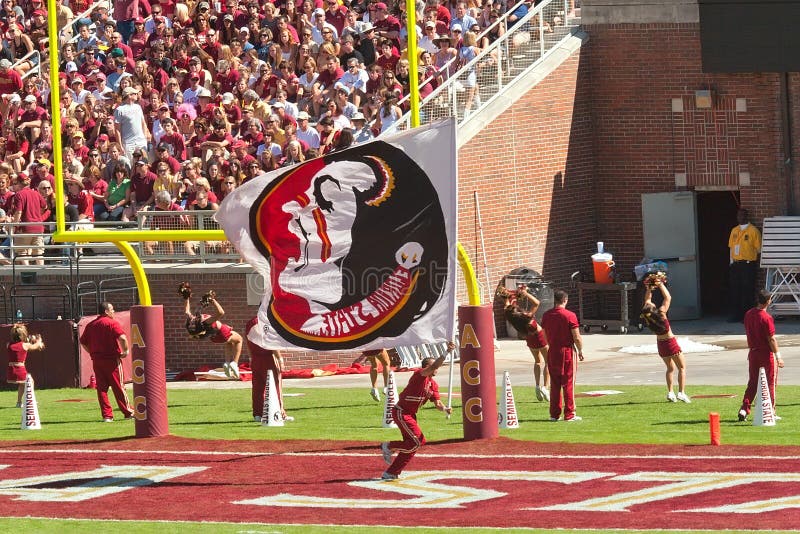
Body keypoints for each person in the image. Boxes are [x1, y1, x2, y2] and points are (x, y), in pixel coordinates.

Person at [380, 341, 454, 480]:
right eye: (434, 367)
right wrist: (446, 352)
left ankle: (392, 472)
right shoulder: (420, 375)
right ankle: (389, 446)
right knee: (416, 441)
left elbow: (437, 402)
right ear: (427, 367)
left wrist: (444, 409)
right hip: (402, 412)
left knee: (416, 443)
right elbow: (435, 365)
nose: (437, 369)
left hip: (411, 415)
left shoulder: (433, 384)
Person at [79, 302, 134, 422]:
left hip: (97, 361)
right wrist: (126, 351)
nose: (114, 312)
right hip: (112, 360)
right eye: (112, 310)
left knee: (102, 389)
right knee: (119, 387)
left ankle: (107, 416)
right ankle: (128, 412)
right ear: (106, 311)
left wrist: (92, 352)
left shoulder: (91, 324)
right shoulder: (112, 323)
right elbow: (123, 338)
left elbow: (83, 341)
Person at [640, 274, 690, 403]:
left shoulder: (648, 319)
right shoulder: (661, 313)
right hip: (671, 342)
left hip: (660, 344)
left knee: (670, 368)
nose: (651, 302)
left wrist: (649, 289)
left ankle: (670, 393)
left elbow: (647, 301)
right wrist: (660, 283)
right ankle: (681, 393)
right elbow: (668, 297)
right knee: (682, 368)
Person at [738, 289, 784, 421]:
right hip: (765, 353)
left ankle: (744, 409)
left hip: (753, 352)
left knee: (753, 382)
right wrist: (778, 356)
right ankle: (770, 410)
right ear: (768, 301)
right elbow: (771, 339)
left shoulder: (748, 314)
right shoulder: (766, 317)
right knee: (770, 383)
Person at [180, 284, 244, 379]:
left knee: (229, 342)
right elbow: (221, 313)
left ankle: (227, 363)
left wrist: (186, 297)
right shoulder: (205, 322)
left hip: (215, 338)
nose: (192, 319)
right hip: (222, 332)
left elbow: (186, 311)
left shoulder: (194, 322)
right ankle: (235, 363)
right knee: (239, 339)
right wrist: (213, 301)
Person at [500, 284, 550, 402]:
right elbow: (537, 303)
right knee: (549, 362)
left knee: (537, 361)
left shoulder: (510, 316)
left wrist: (506, 296)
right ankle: (545, 387)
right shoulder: (527, 316)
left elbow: (507, 303)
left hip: (529, 339)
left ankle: (537, 385)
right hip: (539, 337)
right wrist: (526, 293)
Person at [541, 289, 584, 422]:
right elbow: (576, 336)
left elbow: (544, 334)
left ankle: (554, 414)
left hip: (553, 350)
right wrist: (580, 350)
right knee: (568, 383)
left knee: (555, 384)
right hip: (567, 351)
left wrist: (551, 343)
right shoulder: (570, 315)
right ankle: (570, 413)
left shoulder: (547, 315)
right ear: (565, 300)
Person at [245, 317, 293, 423]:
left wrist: (251, 357)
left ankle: (258, 414)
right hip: (268, 357)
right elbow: (271, 342)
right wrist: (279, 358)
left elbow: (247, 341)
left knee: (258, 387)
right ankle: (280, 413)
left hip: (256, 357)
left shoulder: (250, 323)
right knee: (275, 386)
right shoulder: (267, 322)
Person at [728, 208, 762, 322]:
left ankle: (747, 316)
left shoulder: (753, 231)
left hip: (748, 265)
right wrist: (731, 262)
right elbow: (731, 248)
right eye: (738, 215)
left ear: (747, 217)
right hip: (736, 265)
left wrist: (750, 257)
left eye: (742, 215)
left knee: (747, 290)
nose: (740, 217)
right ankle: (736, 315)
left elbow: (758, 249)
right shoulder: (734, 230)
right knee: (735, 290)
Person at [6, 323, 44, 408]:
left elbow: (18, 347)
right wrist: (39, 340)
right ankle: (31, 400)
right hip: (19, 368)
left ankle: (19, 403)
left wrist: (29, 340)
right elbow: (36, 346)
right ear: (22, 335)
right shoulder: (24, 344)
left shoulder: (8, 344)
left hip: (11, 369)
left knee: (22, 384)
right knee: (30, 382)